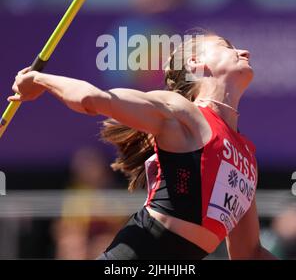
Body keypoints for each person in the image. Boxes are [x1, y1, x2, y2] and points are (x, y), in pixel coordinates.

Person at [8, 31, 277, 260]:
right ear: (196, 63)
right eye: (227, 47)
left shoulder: (246, 155)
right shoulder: (181, 112)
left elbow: (249, 253)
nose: (244, 51)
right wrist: (38, 80)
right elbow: (92, 98)